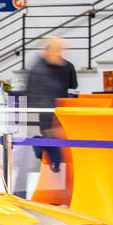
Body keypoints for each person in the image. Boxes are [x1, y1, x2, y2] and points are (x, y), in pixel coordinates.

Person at [23, 36, 76, 172]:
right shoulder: (39, 69)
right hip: (49, 114)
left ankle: (55, 167)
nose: (60, 54)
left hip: (56, 112)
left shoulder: (61, 66)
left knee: (55, 144)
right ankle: (43, 150)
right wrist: (52, 116)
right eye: (57, 50)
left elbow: (69, 86)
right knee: (52, 142)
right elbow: (35, 94)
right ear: (48, 51)